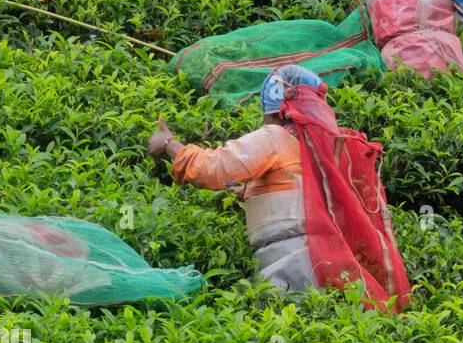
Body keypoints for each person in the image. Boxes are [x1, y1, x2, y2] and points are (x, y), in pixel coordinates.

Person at [146, 64, 410, 309]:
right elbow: (297, 190)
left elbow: (216, 168)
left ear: (272, 107)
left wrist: (170, 145)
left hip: (292, 261)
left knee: (288, 331)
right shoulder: (321, 150)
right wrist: (250, 192)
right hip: (328, 259)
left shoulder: (275, 137)